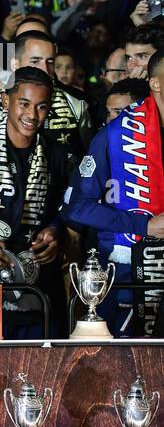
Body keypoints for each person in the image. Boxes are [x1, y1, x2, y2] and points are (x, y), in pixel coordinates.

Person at [0, 68, 71, 339]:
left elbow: (67, 208)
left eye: (41, 107)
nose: (32, 115)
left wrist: (56, 233)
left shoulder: (58, 156)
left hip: (40, 285)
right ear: (6, 101)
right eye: (24, 103)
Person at [64, 51, 164, 337]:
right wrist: (144, 225)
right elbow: (79, 207)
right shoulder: (116, 135)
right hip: (127, 275)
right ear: (155, 84)